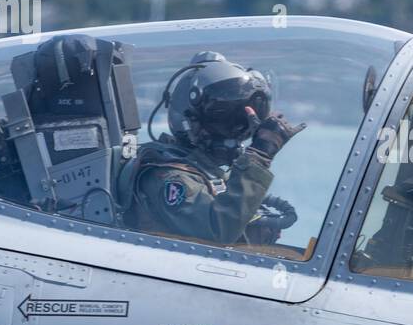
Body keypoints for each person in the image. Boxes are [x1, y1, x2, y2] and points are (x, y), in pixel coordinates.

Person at [118, 51, 304, 245]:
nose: (235, 132)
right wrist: (259, 156)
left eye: (240, 124)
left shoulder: (205, 174)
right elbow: (214, 233)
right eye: (223, 120)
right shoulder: (169, 177)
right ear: (190, 121)